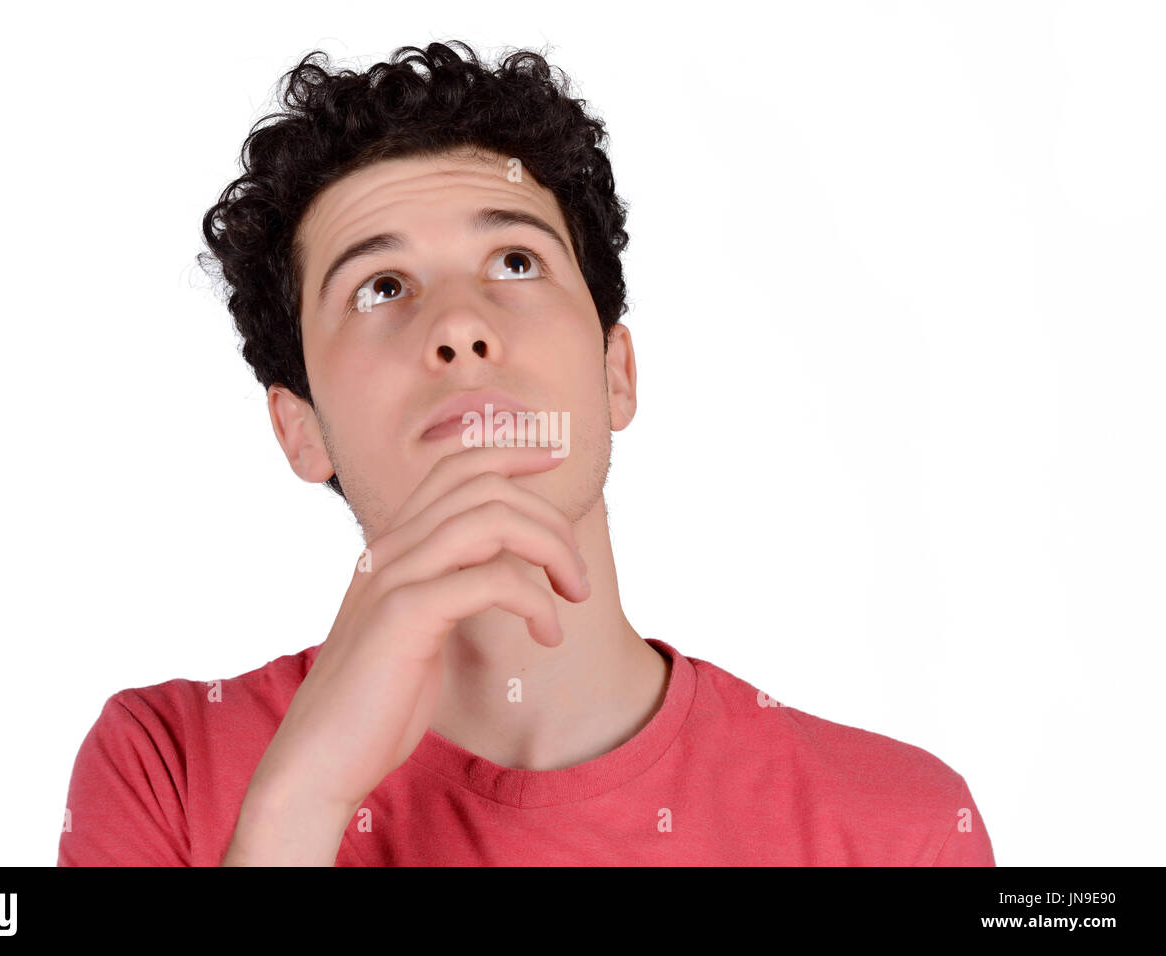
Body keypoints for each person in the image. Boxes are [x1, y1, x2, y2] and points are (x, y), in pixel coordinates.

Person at [57, 40, 995, 866]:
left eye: (515, 262)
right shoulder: (167, 767)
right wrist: (301, 801)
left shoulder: (896, 829)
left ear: (615, 373)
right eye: (381, 287)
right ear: (300, 428)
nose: (460, 327)